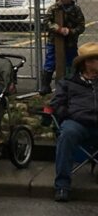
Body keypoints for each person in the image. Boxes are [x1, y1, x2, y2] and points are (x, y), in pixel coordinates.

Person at [49, 42, 98, 203]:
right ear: (87, 63)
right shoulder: (68, 83)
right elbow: (56, 104)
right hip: (78, 123)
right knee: (67, 133)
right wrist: (70, 114)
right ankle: (62, 185)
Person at [41, 0, 86, 94]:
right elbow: (46, 22)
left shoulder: (76, 10)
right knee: (50, 62)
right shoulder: (54, 8)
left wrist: (70, 31)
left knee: (71, 63)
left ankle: (70, 85)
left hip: (70, 42)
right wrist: (58, 29)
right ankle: (45, 85)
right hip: (54, 42)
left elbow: (81, 26)